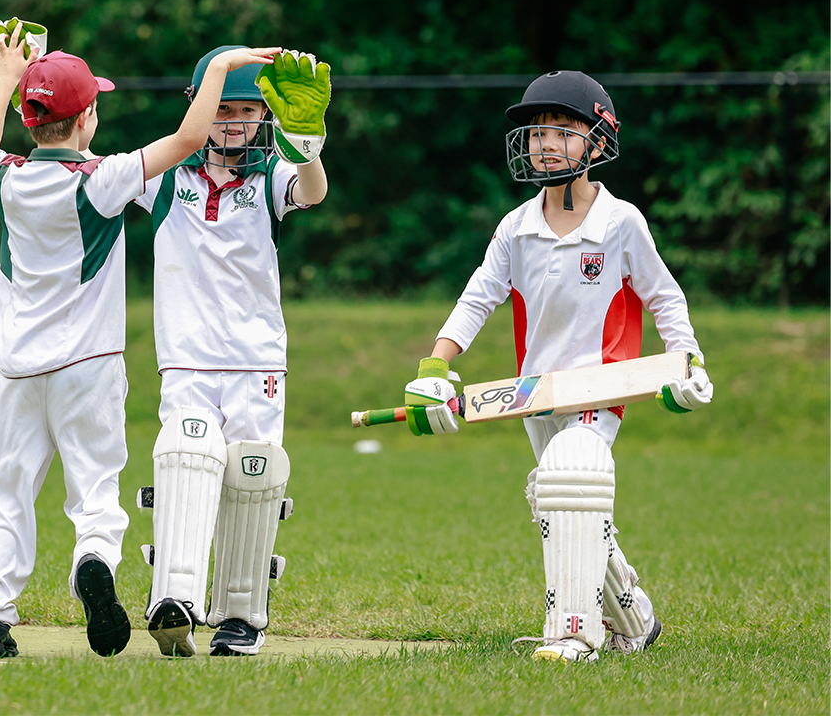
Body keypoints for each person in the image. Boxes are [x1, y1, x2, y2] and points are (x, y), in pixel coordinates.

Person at [0, 24, 281, 659]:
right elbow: (193, 140)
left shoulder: (7, 180)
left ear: (31, 120)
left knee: (4, 491)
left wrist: (4, 79)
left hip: (16, 373)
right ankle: (93, 561)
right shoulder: (101, 180)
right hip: (89, 367)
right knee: (95, 493)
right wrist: (221, 68)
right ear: (88, 119)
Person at [403, 70, 713, 663]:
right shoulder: (516, 228)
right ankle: (633, 614)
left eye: (563, 130)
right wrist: (435, 368)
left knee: (572, 472)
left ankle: (574, 633)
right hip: (535, 393)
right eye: (538, 131)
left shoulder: (621, 223)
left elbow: (664, 297)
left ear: (598, 141)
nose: (545, 142)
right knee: (562, 496)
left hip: (602, 384)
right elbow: (477, 298)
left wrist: (686, 360)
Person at [132, 46, 332, 657]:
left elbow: (314, 192)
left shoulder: (272, 174)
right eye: (223, 109)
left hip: (256, 362)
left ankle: (242, 616)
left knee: (253, 475)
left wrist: (308, 139)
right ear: (197, 109)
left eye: (248, 111)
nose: (235, 123)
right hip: (187, 359)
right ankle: (174, 600)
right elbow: (91, 173)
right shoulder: (167, 177)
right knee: (187, 460)